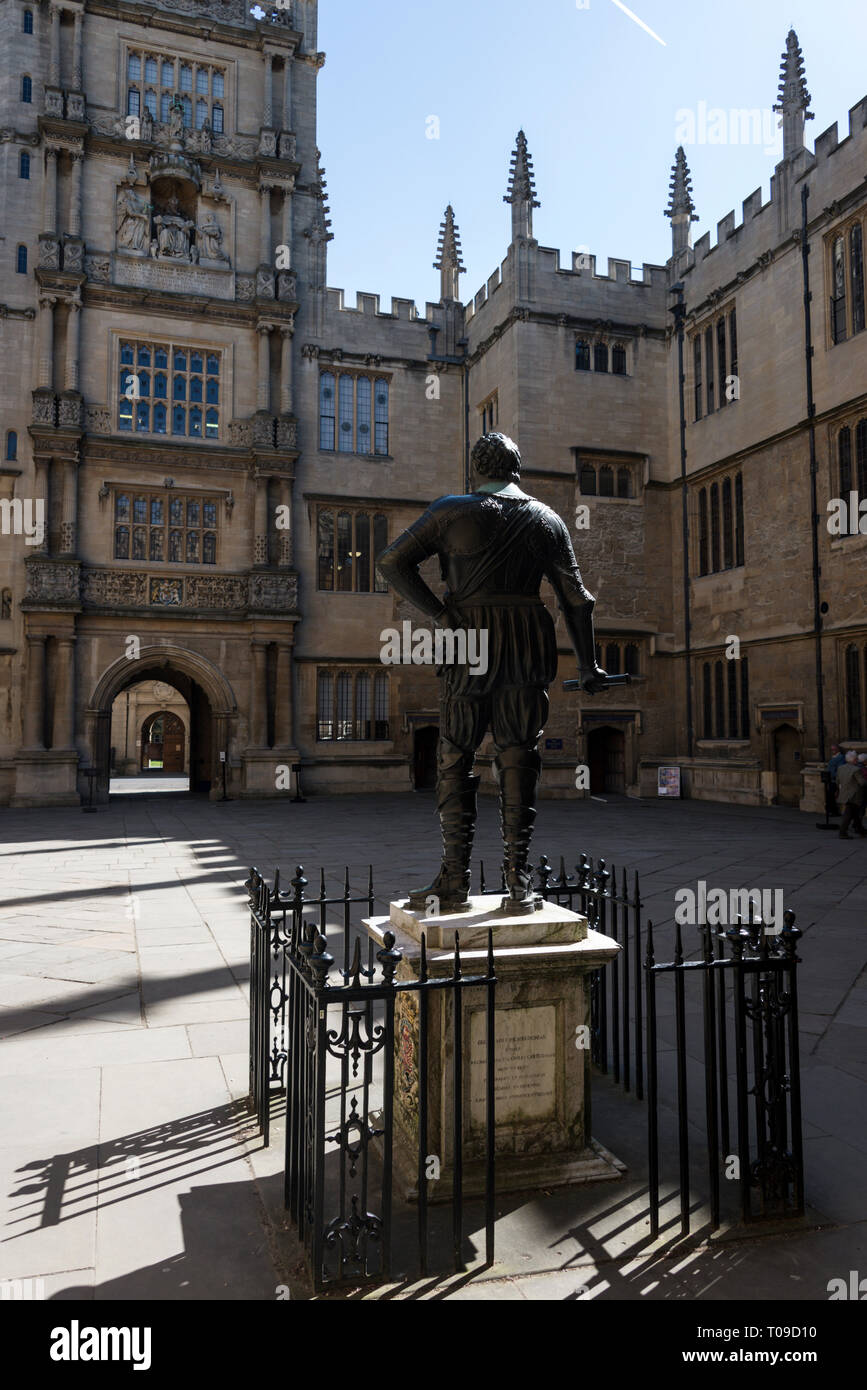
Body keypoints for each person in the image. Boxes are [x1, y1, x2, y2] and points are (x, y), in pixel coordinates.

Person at [377, 431, 608, 914]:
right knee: (518, 756)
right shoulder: (547, 519)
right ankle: (518, 878)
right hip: (526, 640)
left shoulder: (450, 510)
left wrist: (439, 614)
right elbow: (577, 600)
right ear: (516, 469)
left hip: (468, 641)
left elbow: (392, 562)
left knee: (454, 757)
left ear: (476, 470)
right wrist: (588, 665)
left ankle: (454, 879)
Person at [836, 751, 867, 839]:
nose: (857, 760)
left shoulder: (841, 768)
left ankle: (861, 830)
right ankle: (842, 832)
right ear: (853, 760)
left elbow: (837, 781)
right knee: (849, 814)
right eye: (856, 758)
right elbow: (862, 782)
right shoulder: (856, 769)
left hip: (844, 794)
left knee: (855, 814)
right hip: (854, 795)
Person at [826, 743, 846, 817]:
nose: (832, 750)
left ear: (838, 749)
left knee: (832, 796)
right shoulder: (834, 757)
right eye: (832, 749)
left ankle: (834, 812)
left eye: (834, 749)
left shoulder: (841, 757)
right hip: (829, 779)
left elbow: (840, 769)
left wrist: (834, 775)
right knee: (829, 796)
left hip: (834, 780)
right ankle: (831, 810)